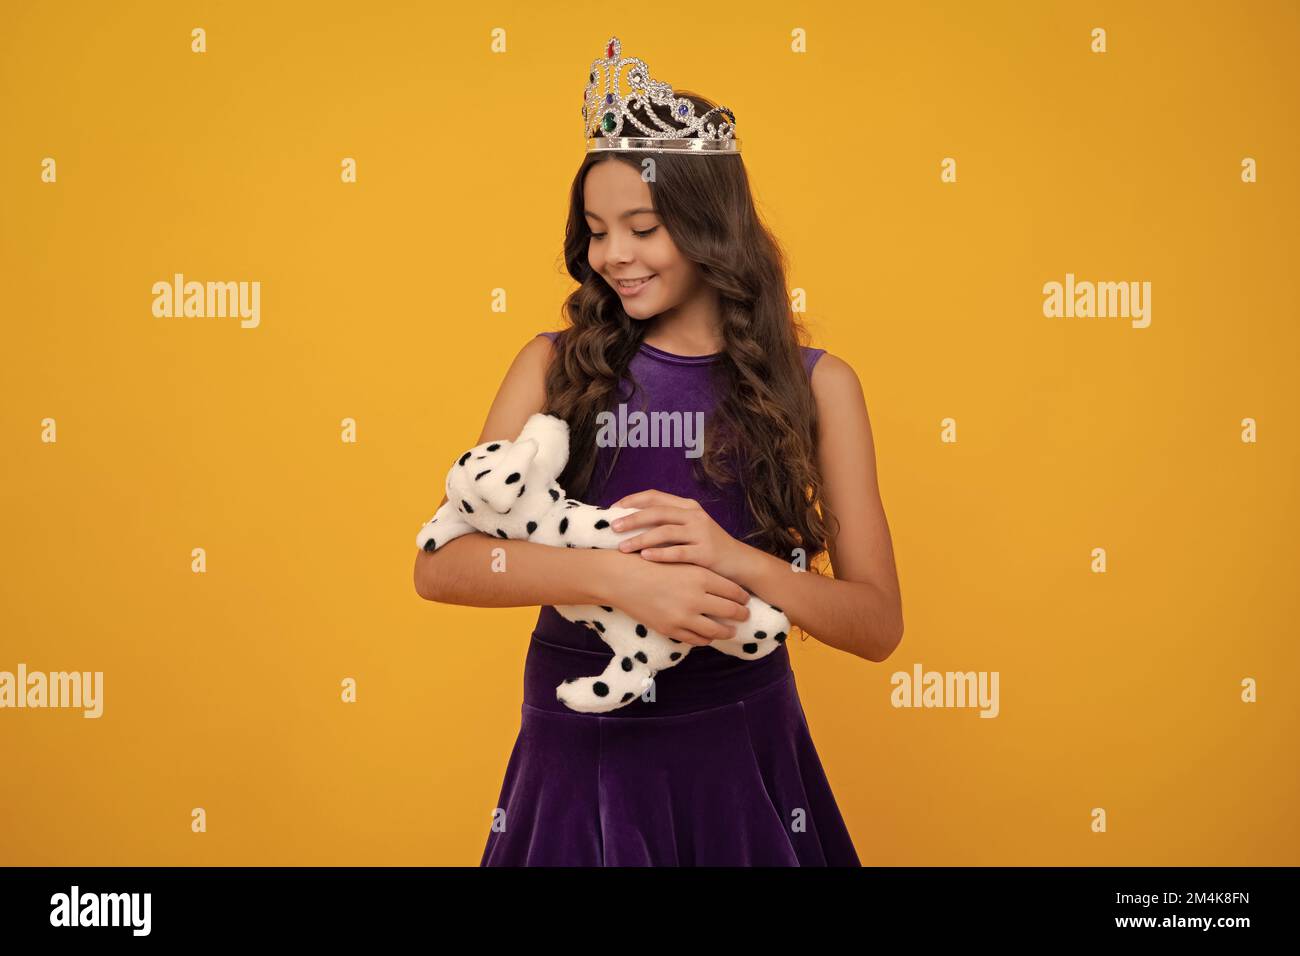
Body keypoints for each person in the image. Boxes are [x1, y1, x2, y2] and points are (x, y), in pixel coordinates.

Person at [413, 36, 903, 865]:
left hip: (740, 755)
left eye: (642, 227)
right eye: (598, 232)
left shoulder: (820, 387)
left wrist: (734, 561)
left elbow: (877, 623)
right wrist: (621, 579)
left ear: (713, 226)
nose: (613, 256)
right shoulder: (550, 366)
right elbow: (441, 563)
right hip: (578, 751)